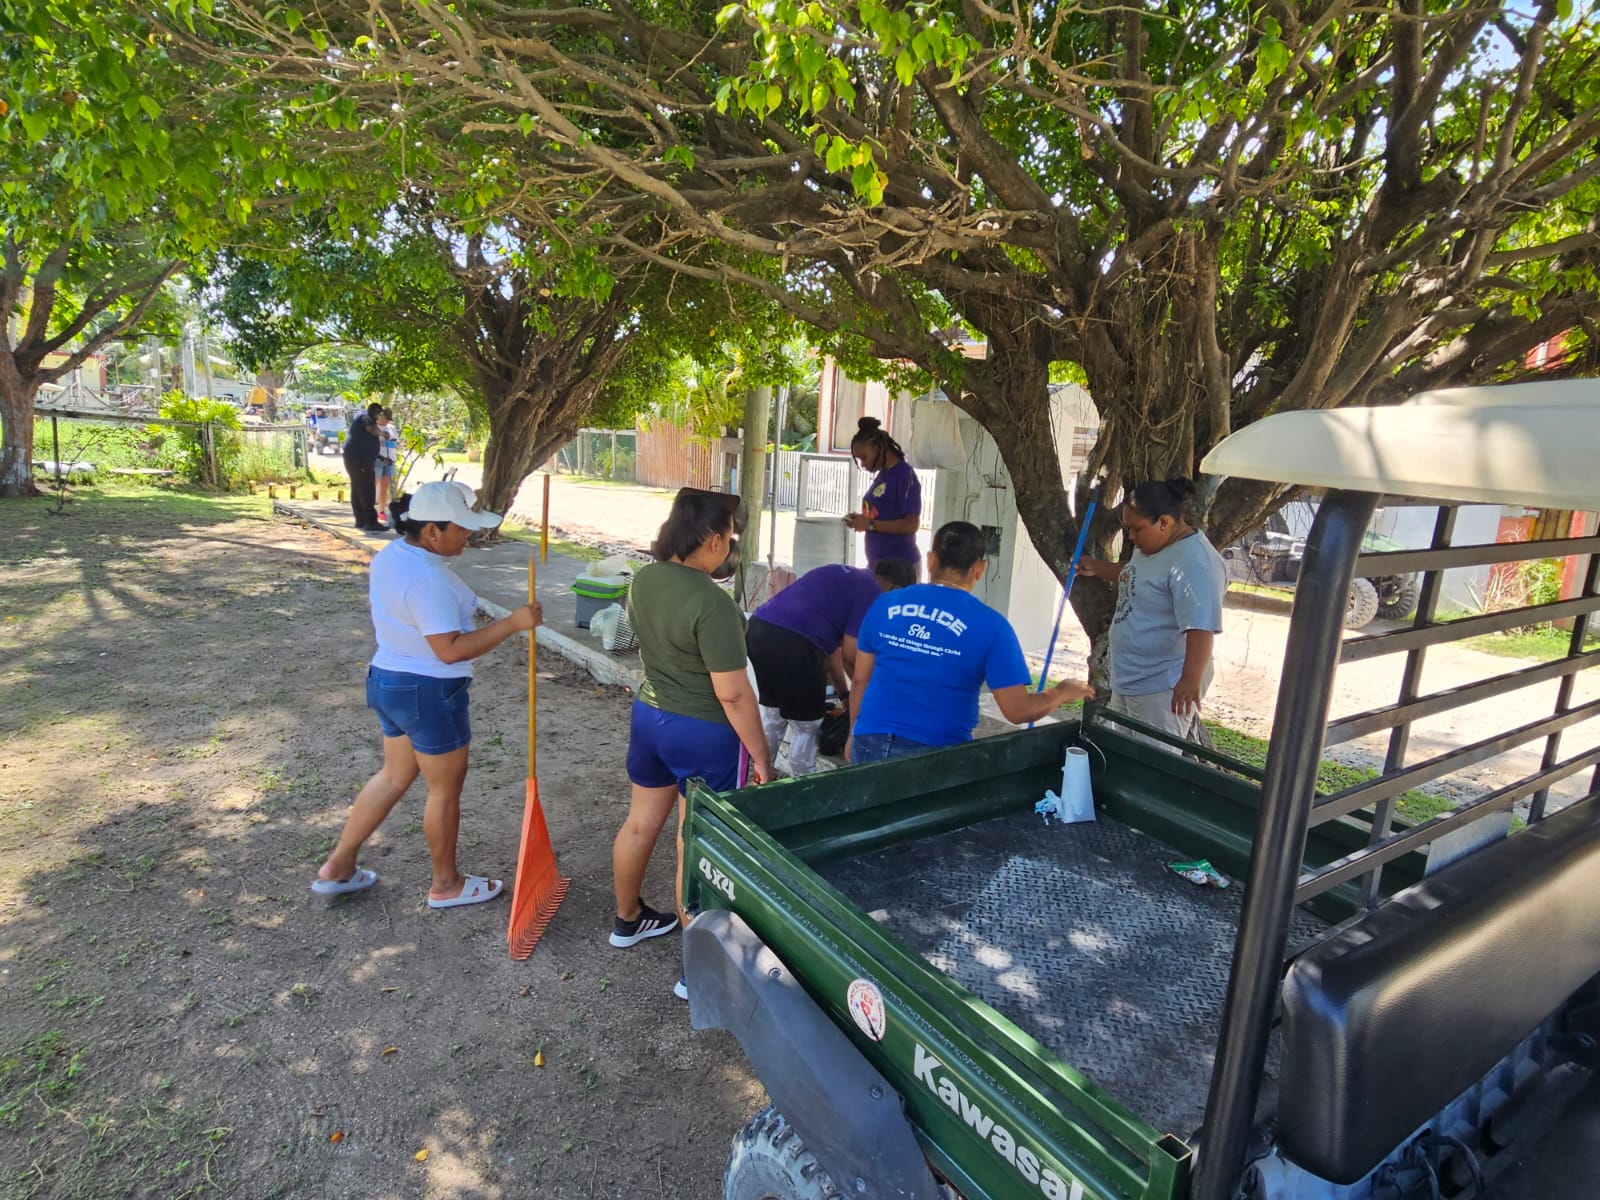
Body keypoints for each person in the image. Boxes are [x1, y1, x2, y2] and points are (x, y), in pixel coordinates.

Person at [311, 481, 541, 908]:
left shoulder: (395, 555)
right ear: (432, 532)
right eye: (461, 528)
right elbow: (448, 650)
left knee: (394, 775)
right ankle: (446, 884)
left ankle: (338, 866)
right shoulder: (428, 579)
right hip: (428, 691)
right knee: (443, 791)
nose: (469, 535)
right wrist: (513, 624)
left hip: (388, 680)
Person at [610, 488, 772, 1000]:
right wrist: (762, 755)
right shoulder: (712, 603)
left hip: (649, 716)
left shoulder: (644, 579)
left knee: (640, 822)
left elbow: (633, 641)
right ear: (709, 539)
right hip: (702, 732)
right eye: (729, 536)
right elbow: (733, 693)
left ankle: (628, 918)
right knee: (693, 839)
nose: (731, 546)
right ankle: (695, 968)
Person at [849, 521, 1093, 762]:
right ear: (980, 569)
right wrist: (1061, 692)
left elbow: (860, 679)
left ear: (931, 560)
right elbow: (1019, 711)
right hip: (935, 755)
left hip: (869, 740)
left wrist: (852, 732)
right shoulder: (992, 627)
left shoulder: (886, 603)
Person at [1078, 478, 1228, 744]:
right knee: (1126, 757)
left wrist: (1190, 679)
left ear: (1164, 522)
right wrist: (1097, 567)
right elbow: (1136, 574)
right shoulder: (1152, 547)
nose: (1131, 538)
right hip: (1129, 678)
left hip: (1162, 686)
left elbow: (1201, 627)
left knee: (1152, 765)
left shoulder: (1195, 563)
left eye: (1136, 530)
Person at [747, 560, 915, 776]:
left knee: (774, 715)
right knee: (807, 728)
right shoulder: (872, 594)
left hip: (759, 630)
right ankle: (803, 793)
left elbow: (832, 652)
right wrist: (864, 695)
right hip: (795, 644)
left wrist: (844, 694)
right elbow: (850, 657)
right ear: (895, 589)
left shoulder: (845, 575)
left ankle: (758, 781)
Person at [843, 416, 921, 575]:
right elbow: (884, 514)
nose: (863, 464)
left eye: (864, 457)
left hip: (900, 570)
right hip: (878, 566)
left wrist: (869, 525)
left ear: (880, 447)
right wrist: (860, 519)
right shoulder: (884, 475)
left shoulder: (904, 475)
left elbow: (911, 525)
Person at [343, 401, 386, 532]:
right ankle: (370, 522)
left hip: (359, 458)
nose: (379, 417)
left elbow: (366, 443)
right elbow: (371, 430)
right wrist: (383, 434)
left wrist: (382, 458)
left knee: (358, 489)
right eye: (378, 414)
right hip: (359, 460)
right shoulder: (365, 417)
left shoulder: (364, 420)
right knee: (366, 489)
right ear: (375, 412)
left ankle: (360, 520)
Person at [374, 407, 400, 526]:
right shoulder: (374, 427)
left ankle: (382, 510)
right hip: (378, 459)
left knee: (385, 485)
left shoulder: (391, 428)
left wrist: (394, 442)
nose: (387, 422)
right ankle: (369, 510)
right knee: (374, 484)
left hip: (391, 459)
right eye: (385, 418)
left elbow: (396, 442)